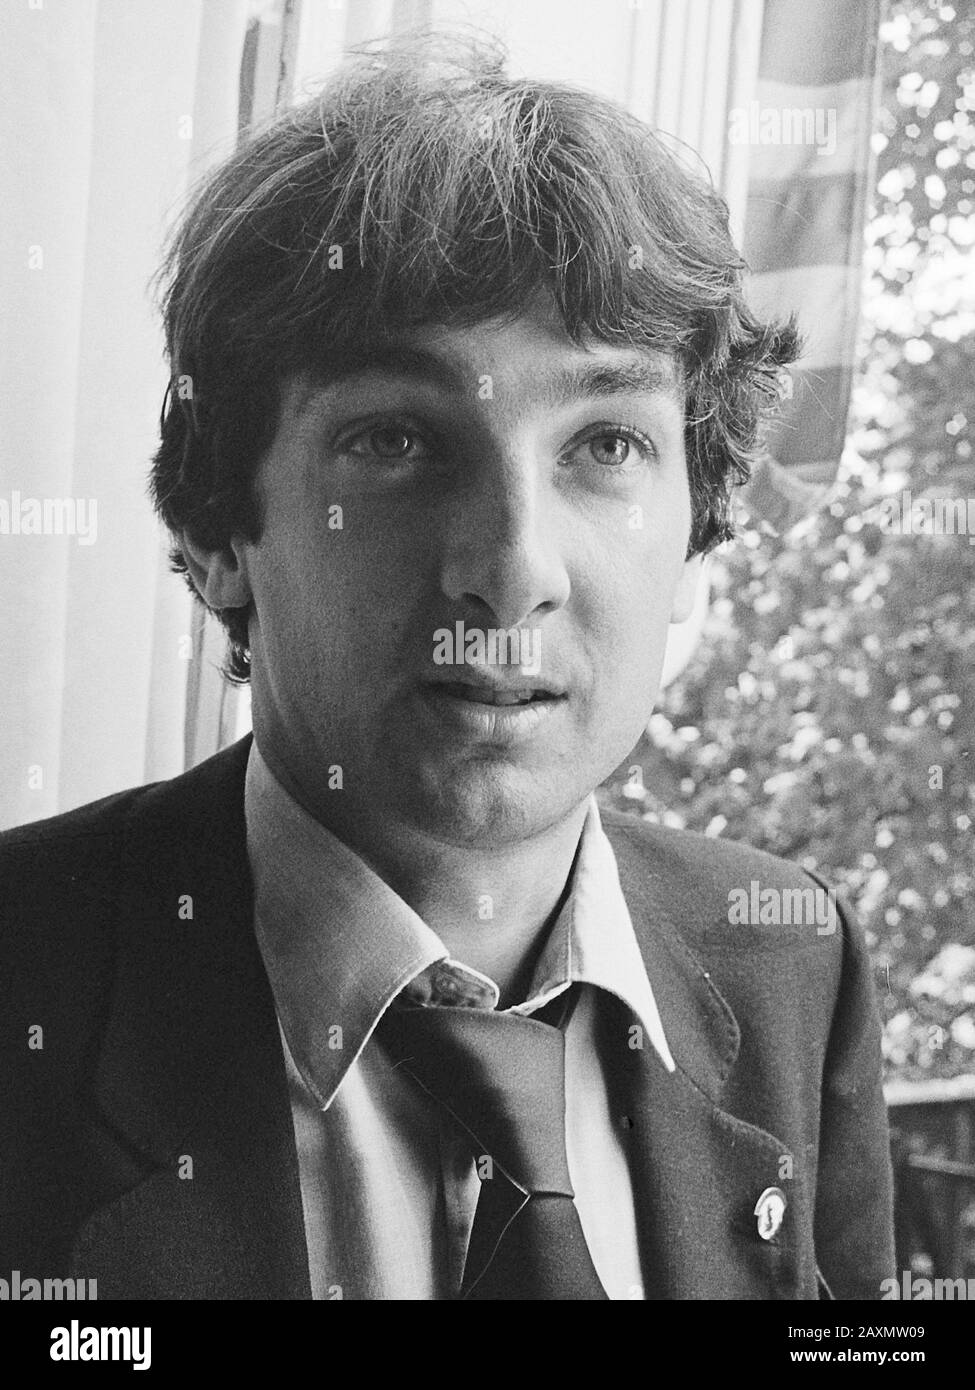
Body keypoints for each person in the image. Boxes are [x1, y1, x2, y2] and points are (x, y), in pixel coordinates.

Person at [0, 36, 895, 1300]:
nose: (513, 566)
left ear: (699, 529)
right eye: (398, 437)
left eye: (605, 443)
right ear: (216, 533)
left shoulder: (794, 961)